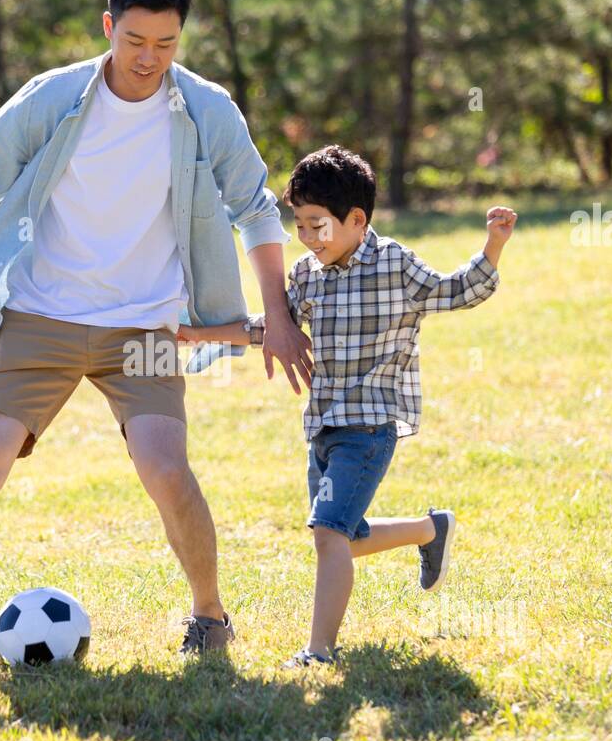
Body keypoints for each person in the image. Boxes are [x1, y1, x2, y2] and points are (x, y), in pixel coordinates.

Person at [0, 0, 312, 688]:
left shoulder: (205, 109)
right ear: (109, 26)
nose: (148, 59)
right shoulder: (55, 98)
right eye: (135, 41)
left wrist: (278, 311)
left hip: (145, 326)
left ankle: (209, 616)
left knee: (166, 468)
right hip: (42, 311)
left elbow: (255, 207)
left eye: (165, 45)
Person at [177, 145, 516, 667]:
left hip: (370, 427)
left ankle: (319, 652)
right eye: (300, 226)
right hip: (324, 427)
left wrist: (493, 245)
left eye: (318, 225)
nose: (307, 238)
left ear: (356, 220)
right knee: (346, 537)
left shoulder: (395, 264)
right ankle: (432, 529)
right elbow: (274, 327)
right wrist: (198, 334)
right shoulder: (308, 275)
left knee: (328, 533)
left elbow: (456, 291)